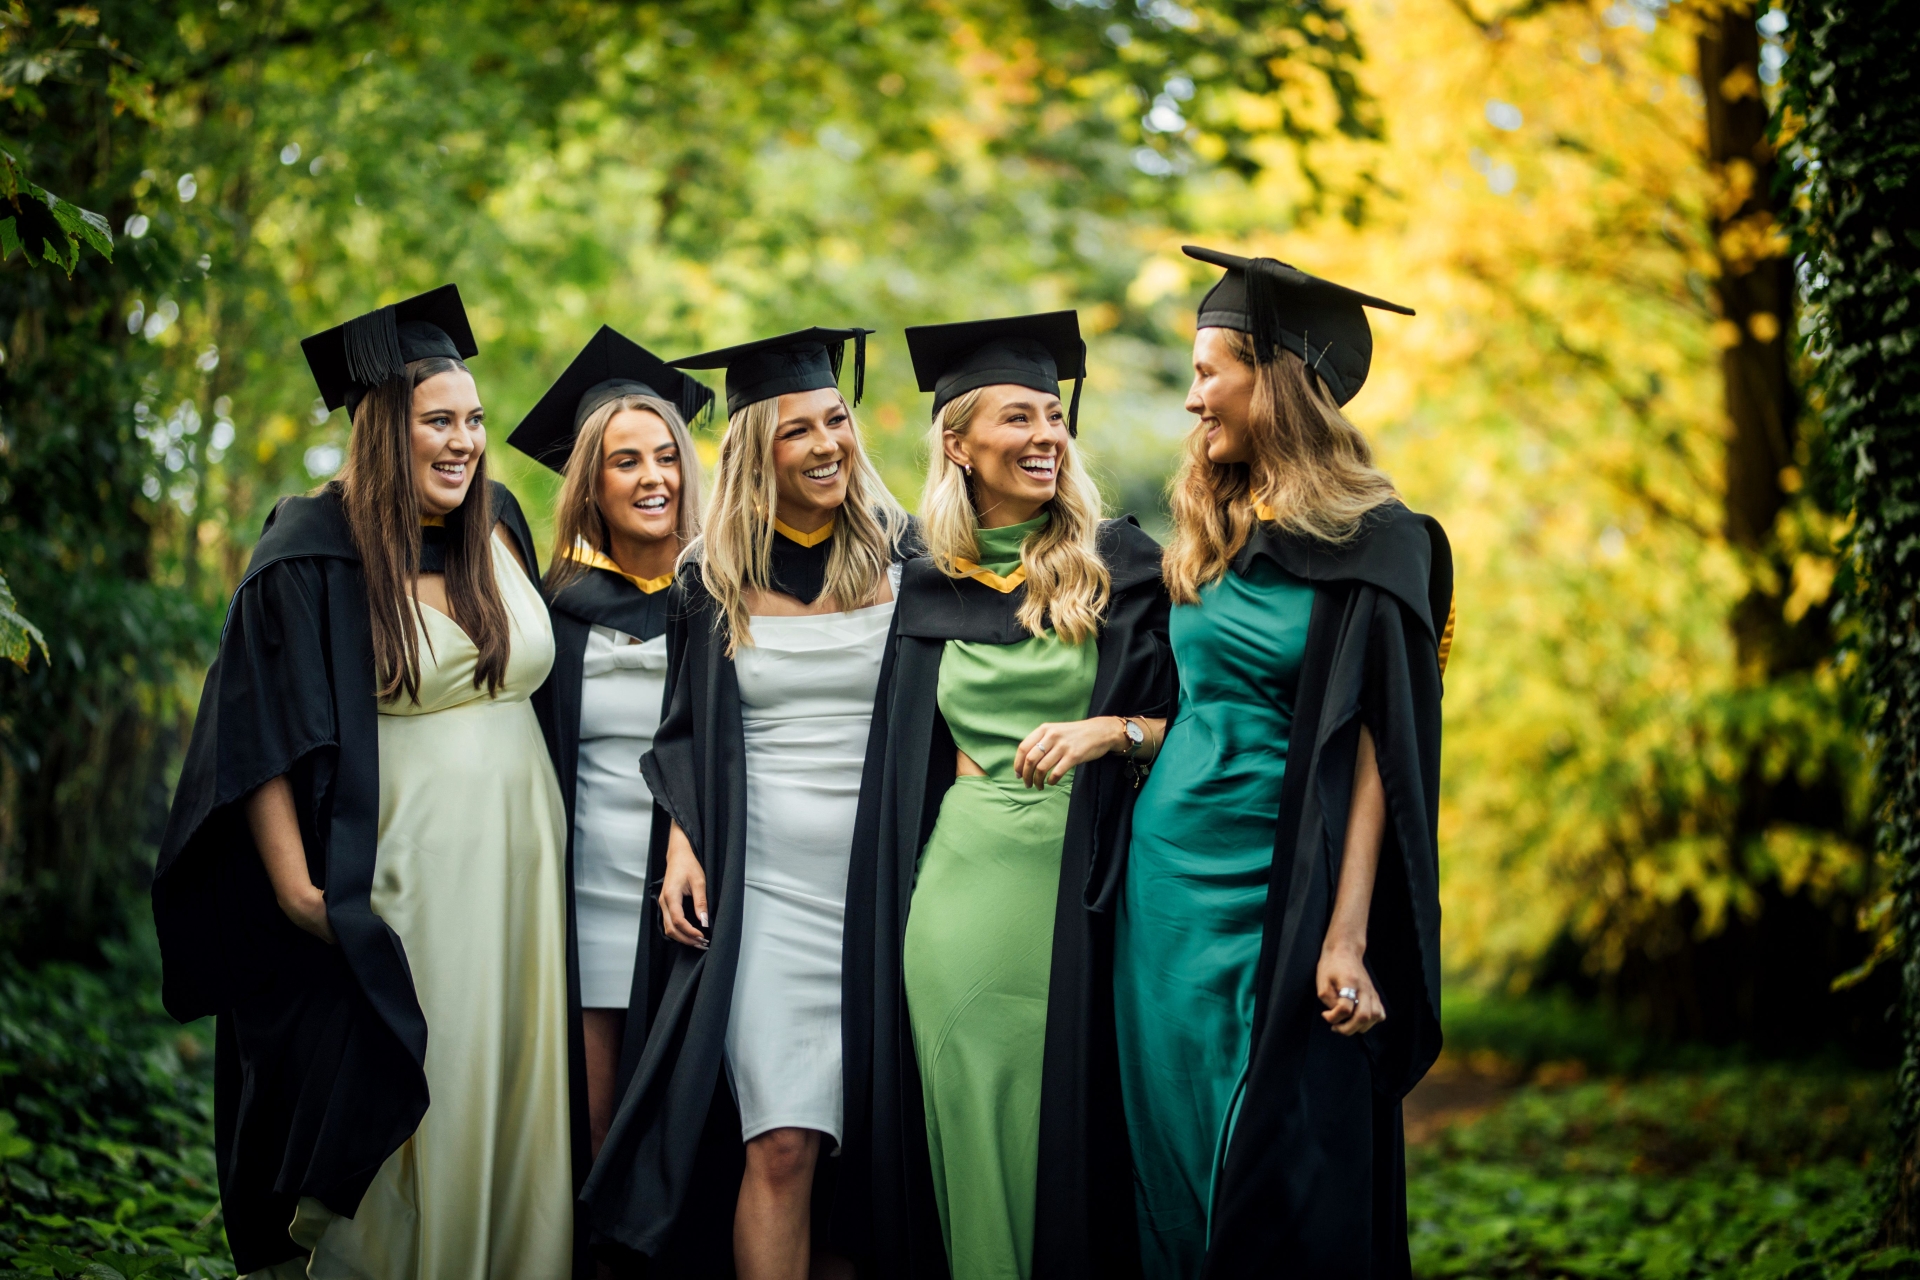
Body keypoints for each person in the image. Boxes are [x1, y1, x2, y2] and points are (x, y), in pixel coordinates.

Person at [151, 286, 576, 1279]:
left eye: (473, 420)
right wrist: (299, 891)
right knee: (427, 1082)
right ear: (384, 426)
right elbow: (261, 729)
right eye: (439, 421)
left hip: (525, 879)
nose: (464, 442)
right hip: (406, 876)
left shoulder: (496, 525)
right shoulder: (310, 547)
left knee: (514, 1083)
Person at [1113, 246, 1452, 1279]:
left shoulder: (1381, 545)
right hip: (1167, 891)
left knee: (1288, 1171)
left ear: (1277, 379)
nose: (1192, 399)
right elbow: (1183, 708)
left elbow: (1381, 756)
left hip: (1287, 890)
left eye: (1209, 371)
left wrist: (1347, 934)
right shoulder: (1206, 528)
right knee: (1173, 1163)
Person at [845, 311, 1174, 1280]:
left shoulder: (1121, 565)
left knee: (1078, 1125)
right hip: (964, 887)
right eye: (1017, 417)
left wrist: (1112, 731)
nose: (1045, 435)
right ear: (958, 444)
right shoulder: (920, 583)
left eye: (1053, 416)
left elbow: (1199, 721)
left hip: (1089, 880)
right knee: (972, 1115)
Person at [583, 328, 914, 1280]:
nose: (827, 444)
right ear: (756, 450)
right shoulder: (709, 577)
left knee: (873, 1154)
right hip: (765, 894)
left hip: (887, 890)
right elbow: (684, 730)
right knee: (781, 1140)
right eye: (797, 430)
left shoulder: (910, 560)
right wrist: (684, 840)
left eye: (836, 420)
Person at [512, 325, 713, 1166]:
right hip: (588, 895)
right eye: (625, 461)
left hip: (700, 891)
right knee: (595, 1137)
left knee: (690, 1140)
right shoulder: (550, 611)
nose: (653, 477)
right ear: (589, 482)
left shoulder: (723, 596)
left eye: (666, 457)